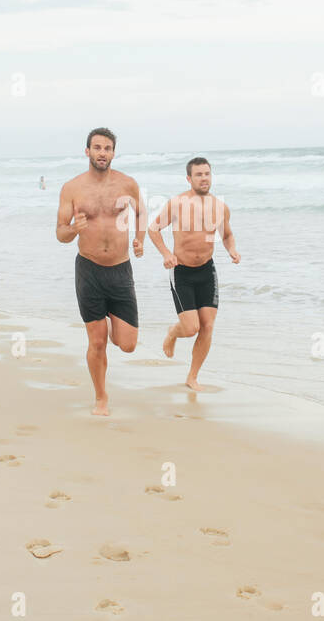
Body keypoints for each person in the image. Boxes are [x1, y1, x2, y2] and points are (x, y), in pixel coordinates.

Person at [56, 128, 146, 415]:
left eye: (107, 148)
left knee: (127, 344)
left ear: (113, 153)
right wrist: (73, 229)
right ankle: (101, 397)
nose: (102, 153)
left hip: (120, 270)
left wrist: (140, 239)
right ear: (87, 152)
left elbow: (142, 213)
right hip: (89, 271)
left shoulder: (128, 184)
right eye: (97, 147)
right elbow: (60, 233)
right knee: (97, 341)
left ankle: (111, 323)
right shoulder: (72, 188)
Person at [148, 156, 240, 390]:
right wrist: (166, 254)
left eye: (207, 173)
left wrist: (232, 250)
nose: (204, 178)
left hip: (207, 271)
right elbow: (153, 229)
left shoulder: (220, 207)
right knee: (191, 328)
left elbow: (227, 235)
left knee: (207, 325)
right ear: (189, 178)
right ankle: (173, 332)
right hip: (182, 272)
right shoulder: (177, 203)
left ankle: (192, 377)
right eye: (199, 174)